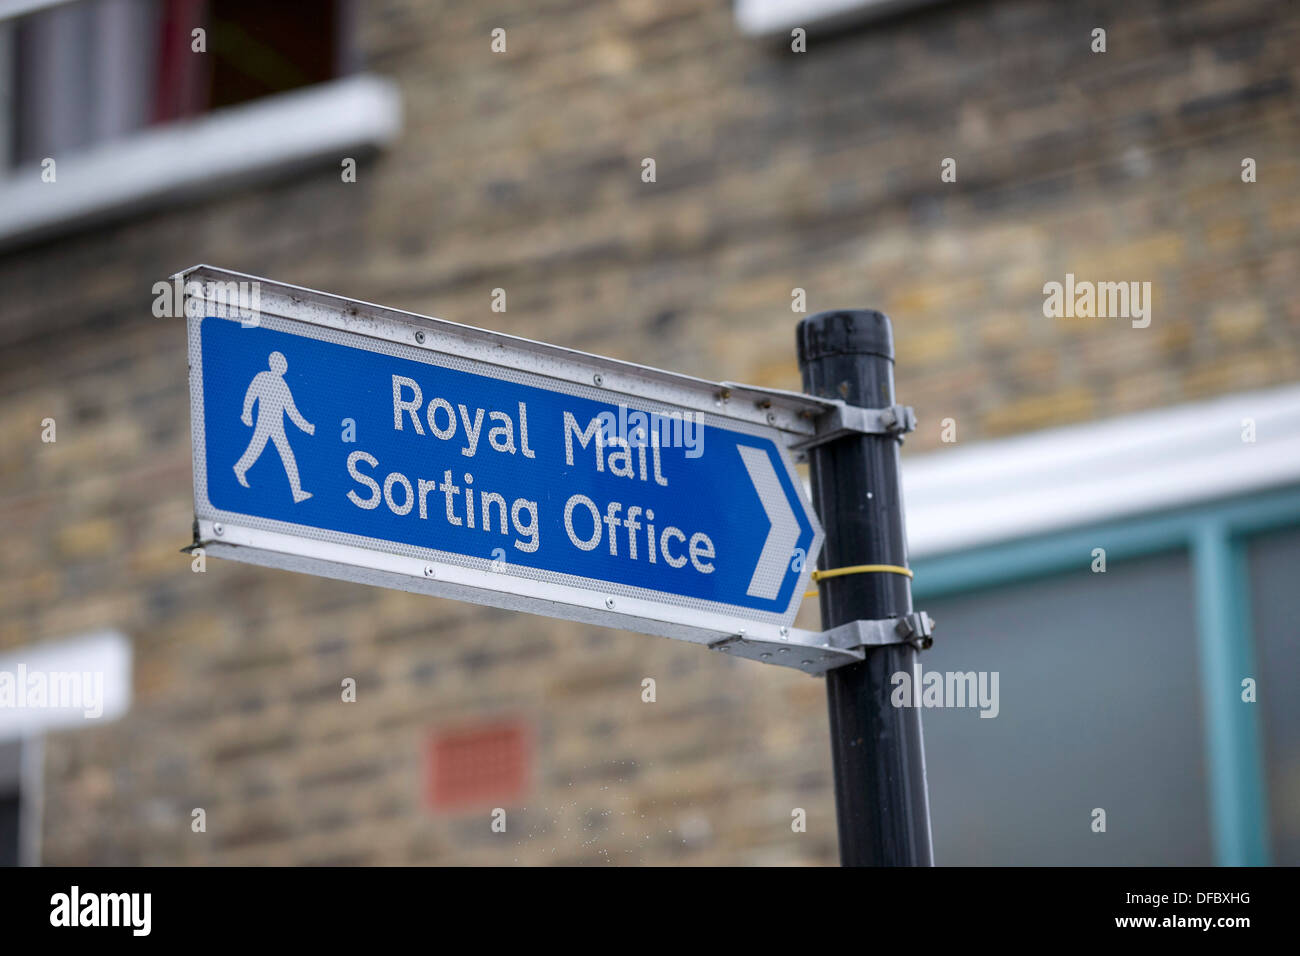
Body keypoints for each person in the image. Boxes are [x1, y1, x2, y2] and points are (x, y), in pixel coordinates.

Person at [233, 351, 315, 502]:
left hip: (277, 426)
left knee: (286, 454)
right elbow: (251, 395)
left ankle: (297, 492)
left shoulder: (283, 385)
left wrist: (307, 427)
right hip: (265, 423)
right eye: (281, 363)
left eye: (284, 363)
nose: (283, 366)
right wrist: (246, 414)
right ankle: (240, 468)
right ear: (274, 364)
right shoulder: (262, 377)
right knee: (258, 449)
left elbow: (292, 410)